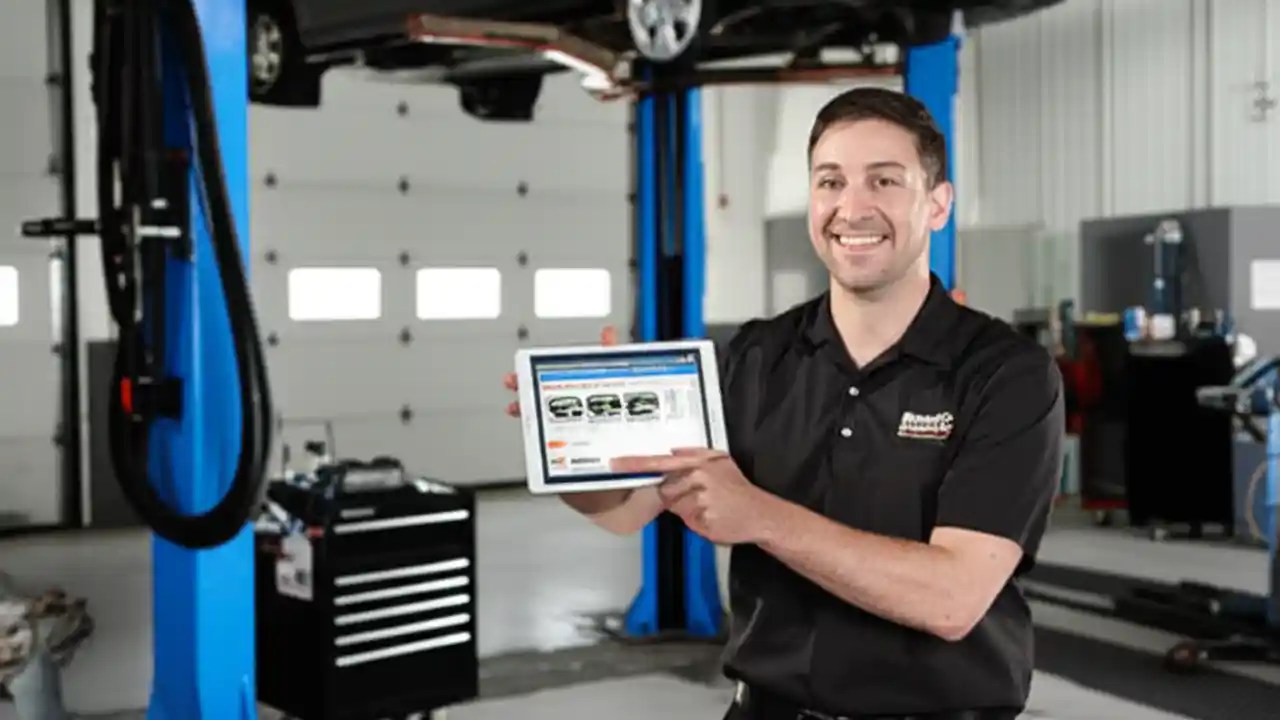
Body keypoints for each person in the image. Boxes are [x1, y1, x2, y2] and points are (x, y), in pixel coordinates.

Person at [504, 86, 1064, 719]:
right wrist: (572, 447)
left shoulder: (1006, 374)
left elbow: (952, 598)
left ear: (937, 205)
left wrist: (759, 515)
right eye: (830, 182)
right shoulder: (755, 356)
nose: (852, 208)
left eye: (884, 181)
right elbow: (627, 510)